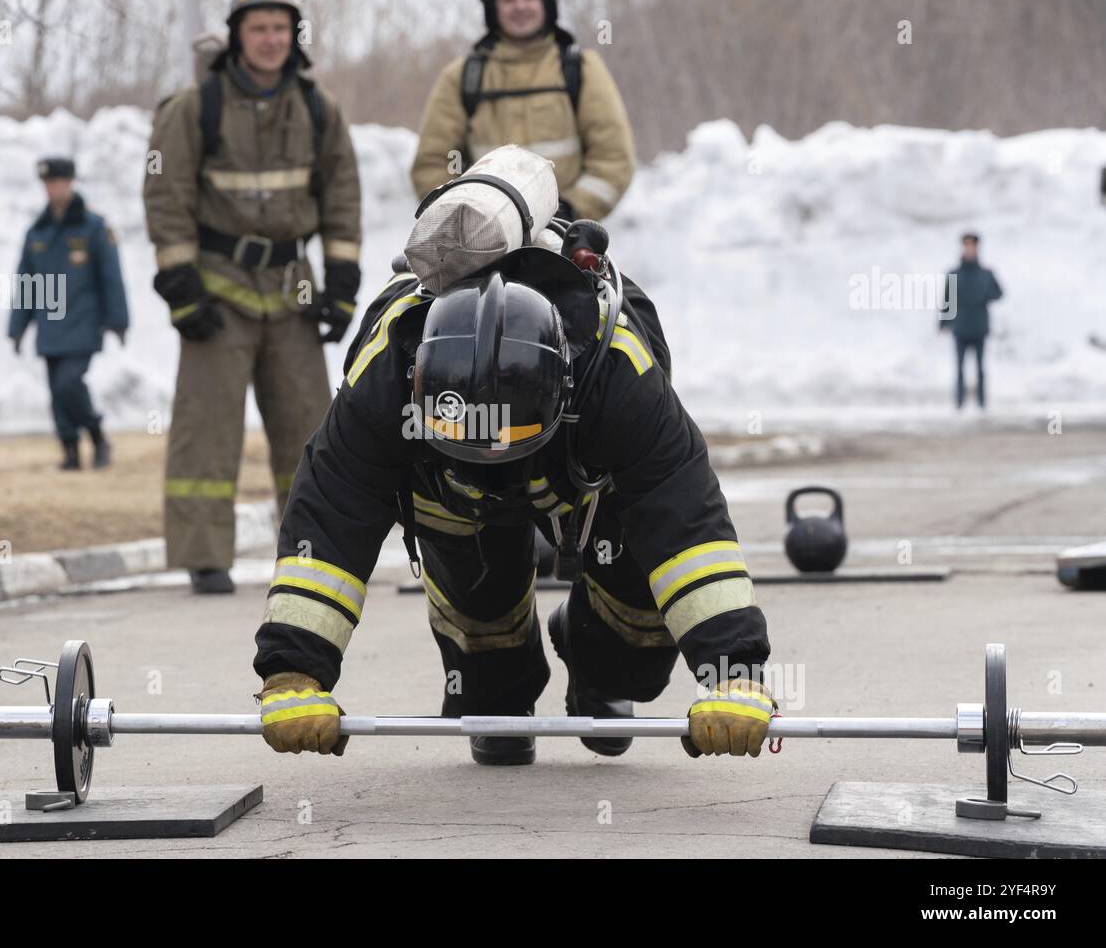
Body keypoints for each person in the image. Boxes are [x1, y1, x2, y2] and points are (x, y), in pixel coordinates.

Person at [251, 230, 773, 765]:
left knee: (636, 645)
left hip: (586, 484)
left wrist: (734, 676)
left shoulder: (617, 377)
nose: (493, 467)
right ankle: (501, 696)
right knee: (486, 667)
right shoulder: (382, 382)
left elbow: (689, 532)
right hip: (448, 494)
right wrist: (294, 672)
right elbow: (328, 529)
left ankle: (593, 657)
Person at [144, 0, 363, 595]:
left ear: (295, 35)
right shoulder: (194, 108)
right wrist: (181, 287)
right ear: (237, 35)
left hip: (293, 293)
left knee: (311, 432)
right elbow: (166, 198)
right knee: (206, 430)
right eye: (258, 28)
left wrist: (343, 281)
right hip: (217, 293)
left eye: (280, 28)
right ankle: (204, 556)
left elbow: (342, 196)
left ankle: (313, 553)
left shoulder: (319, 110)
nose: (270, 39)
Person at [411, 0, 636, 222]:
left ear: (546, 3)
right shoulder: (460, 77)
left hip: (565, 241)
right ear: (492, 8)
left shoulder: (582, 69)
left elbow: (613, 160)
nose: (519, 6)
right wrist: (463, 219)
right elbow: (433, 163)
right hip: (483, 243)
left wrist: (569, 211)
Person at [9, 157, 128, 470]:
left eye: (58, 182)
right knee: (57, 394)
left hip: (83, 324)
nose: (53, 189)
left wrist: (118, 320)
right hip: (50, 326)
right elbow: (26, 283)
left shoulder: (93, 227)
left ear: (71, 183)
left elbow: (111, 276)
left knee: (69, 384)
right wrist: (17, 327)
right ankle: (71, 451)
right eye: (48, 183)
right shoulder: (38, 231)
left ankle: (97, 435)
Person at [939, 231, 1003, 410]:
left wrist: (985, 294)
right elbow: (947, 300)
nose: (969, 249)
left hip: (980, 327)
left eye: (972, 246)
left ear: (977, 248)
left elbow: (999, 293)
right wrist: (943, 323)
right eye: (966, 246)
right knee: (959, 368)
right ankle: (959, 404)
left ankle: (982, 404)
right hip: (960, 327)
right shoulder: (954, 274)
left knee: (980, 368)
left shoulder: (986, 273)